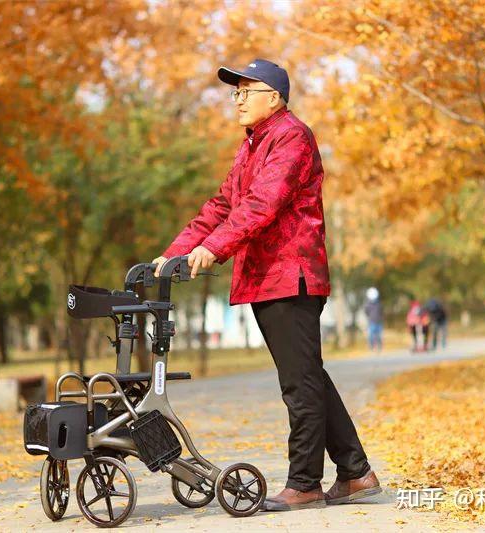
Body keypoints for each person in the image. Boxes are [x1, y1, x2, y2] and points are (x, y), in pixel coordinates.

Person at [153, 59, 380, 511]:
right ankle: (356, 472)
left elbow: (262, 205)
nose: (236, 98)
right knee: (308, 376)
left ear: (273, 97)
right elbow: (222, 205)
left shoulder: (291, 136)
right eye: (234, 92)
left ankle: (305, 483)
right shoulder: (253, 145)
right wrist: (177, 251)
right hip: (267, 277)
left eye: (245, 90)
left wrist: (213, 249)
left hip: (289, 275)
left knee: (300, 384)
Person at [364, 287, 383, 353]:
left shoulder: (379, 304)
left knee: (378, 335)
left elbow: (381, 311)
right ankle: (371, 346)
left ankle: (379, 346)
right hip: (371, 322)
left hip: (379, 322)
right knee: (371, 335)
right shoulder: (367, 304)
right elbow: (366, 312)